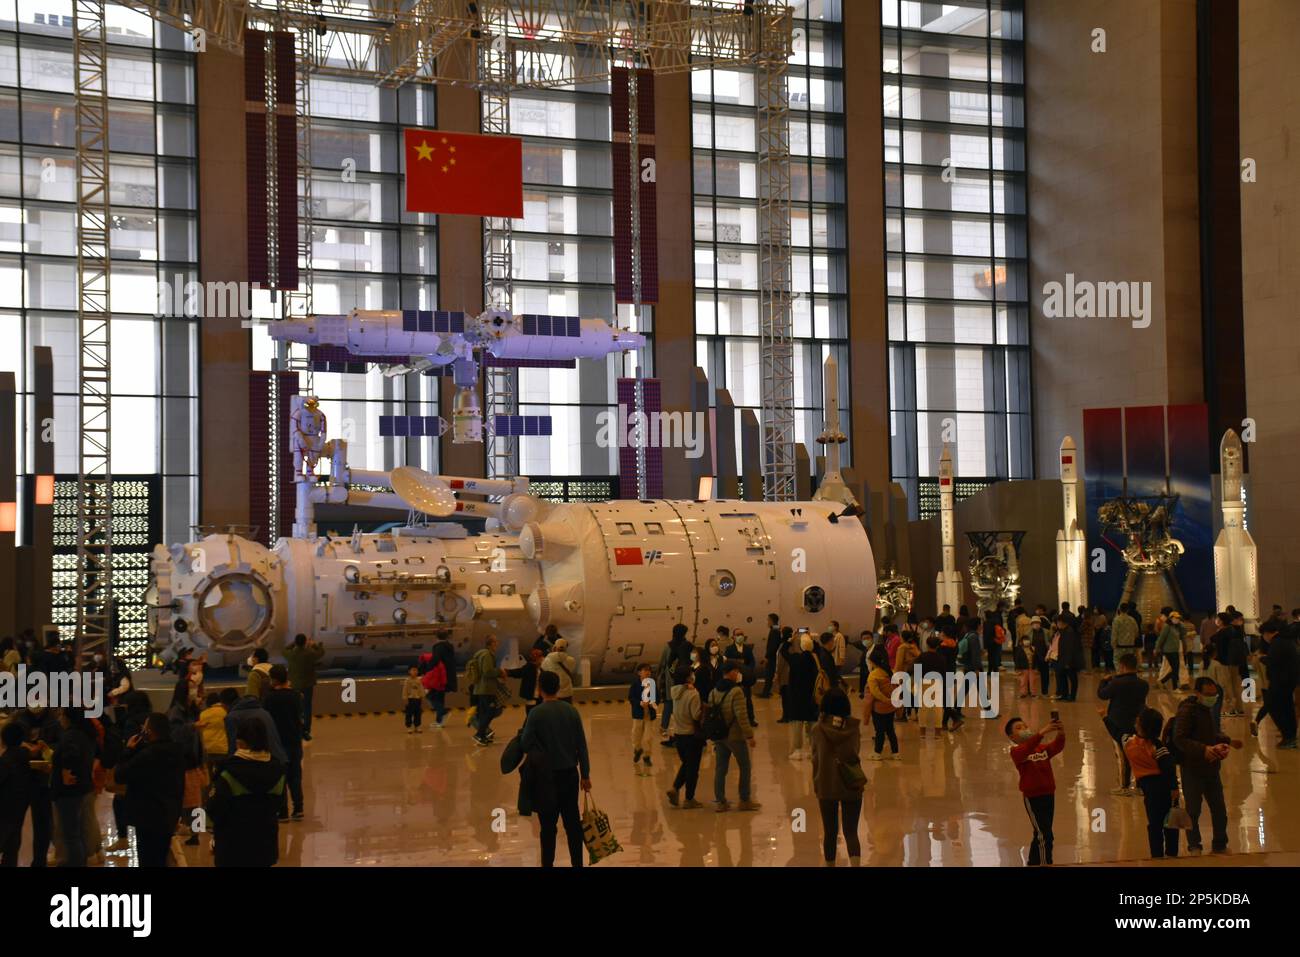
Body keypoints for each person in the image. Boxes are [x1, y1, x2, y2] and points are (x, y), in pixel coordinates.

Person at [520, 670, 592, 867]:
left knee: (548, 827)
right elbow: (582, 745)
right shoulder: (571, 711)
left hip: (545, 779)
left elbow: (525, 744)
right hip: (569, 775)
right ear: (559, 688)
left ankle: (547, 864)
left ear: (539, 688)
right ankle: (577, 864)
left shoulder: (536, 713)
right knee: (572, 824)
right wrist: (585, 775)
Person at [1172, 676, 1242, 854]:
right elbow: (1179, 738)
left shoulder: (1207, 710)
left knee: (1219, 810)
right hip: (1192, 769)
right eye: (1208, 694)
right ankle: (1194, 845)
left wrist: (1228, 741)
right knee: (1193, 811)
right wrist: (1203, 749)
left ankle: (1220, 844)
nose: (1212, 698)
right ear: (1197, 693)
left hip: (1211, 768)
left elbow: (1209, 734)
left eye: (1214, 695)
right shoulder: (1187, 711)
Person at [206, 719, 286, 867]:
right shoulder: (278, 771)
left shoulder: (228, 773)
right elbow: (280, 804)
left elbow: (214, 809)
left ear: (240, 742)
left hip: (232, 848)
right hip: (265, 847)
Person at [113, 713, 184, 867]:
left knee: (147, 859)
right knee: (160, 858)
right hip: (169, 814)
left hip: (147, 817)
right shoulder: (177, 751)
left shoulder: (147, 755)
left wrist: (128, 750)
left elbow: (120, 775)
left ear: (149, 731)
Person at [810, 688, 864, 866]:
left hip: (826, 783)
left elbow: (815, 758)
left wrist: (816, 784)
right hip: (851, 781)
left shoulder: (817, 730)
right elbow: (855, 752)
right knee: (851, 832)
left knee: (830, 833)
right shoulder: (854, 728)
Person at [1006, 714, 1065, 866]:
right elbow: (1028, 747)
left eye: (1025, 726)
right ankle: (1046, 863)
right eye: (1019, 728)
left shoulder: (1041, 748)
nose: (1024, 729)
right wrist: (1042, 732)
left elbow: (1057, 746)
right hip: (1033, 798)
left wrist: (1060, 732)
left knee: (1041, 833)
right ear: (1012, 737)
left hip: (1049, 794)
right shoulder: (1016, 752)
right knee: (1045, 835)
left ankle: (1033, 862)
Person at [1125, 708, 1180, 859]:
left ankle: (1156, 855)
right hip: (1165, 789)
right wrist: (1174, 787)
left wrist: (1105, 718)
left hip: (1150, 791)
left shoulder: (1131, 744)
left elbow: (1117, 733)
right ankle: (1172, 854)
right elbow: (1169, 768)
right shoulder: (1158, 747)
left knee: (1154, 824)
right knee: (1170, 823)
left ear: (1141, 727)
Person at [708, 661, 759, 812]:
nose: (738, 674)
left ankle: (721, 801)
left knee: (720, 768)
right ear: (730, 673)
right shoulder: (737, 691)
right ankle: (744, 800)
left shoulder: (713, 691)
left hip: (719, 735)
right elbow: (741, 715)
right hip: (734, 735)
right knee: (745, 766)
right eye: (736, 671)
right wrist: (749, 735)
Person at [1097, 654, 1149, 794]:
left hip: (1118, 724)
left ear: (1122, 666)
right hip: (1137, 723)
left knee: (1122, 755)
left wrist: (1103, 681)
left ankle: (1124, 786)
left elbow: (1102, 694)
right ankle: (1139, 785)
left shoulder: (1116, 683)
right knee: (1138, 753)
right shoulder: (1143, 685)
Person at [262, 665, 305, 821]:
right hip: (294, 741)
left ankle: (283, 812)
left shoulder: (269, 698)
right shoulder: (296, 696)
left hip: (277, 742)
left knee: (280, 777)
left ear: (273, 679)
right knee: (295, 776)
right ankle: (298, 808)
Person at [666, 666, 703, 809]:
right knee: (692, 769)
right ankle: (689, 799)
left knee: (687, 764)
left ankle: (675, 789)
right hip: (691, 735)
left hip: (678, 734)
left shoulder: (675, 691)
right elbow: (696, 715)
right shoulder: (692, 694)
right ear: (688, 677)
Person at [1258, 620, 1298, 748]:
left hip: (1280, 680)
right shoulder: (1286, 640)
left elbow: (1273, 661)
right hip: (1288, 679)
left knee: (1275, 707)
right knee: (1287, 707)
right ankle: (1290, 736)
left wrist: (1262, 658)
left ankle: (1288, 736)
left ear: (1267, 633)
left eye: (1263, 635)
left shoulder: (1277, 642)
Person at [0, 720, 34, 866]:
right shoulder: (25, 758)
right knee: (12, 849)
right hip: (19, 809)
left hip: (3, 810)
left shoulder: (6, 760)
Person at [780, 633, 818, 759]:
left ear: (801, 646)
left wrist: (789, 641)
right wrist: (813, 640)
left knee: (797, 723)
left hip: (797, 696)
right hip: (812, 696)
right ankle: (813, 749)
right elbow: (818, 649)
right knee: (812, 723)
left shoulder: (795, 658)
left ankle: (797, 750)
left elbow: (783, 652)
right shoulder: (815, 658)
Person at [224, 691, 287, 764]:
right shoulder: (263, 712)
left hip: (261, 761)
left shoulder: (233, 716)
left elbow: (233, 745)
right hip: (276, 758)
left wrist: (230, 764)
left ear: (225, 704)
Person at [469, 635, 509, 746]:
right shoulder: (487, 655)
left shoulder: (481, 654)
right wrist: (500, 671)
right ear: (491, 643)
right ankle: (479, 734)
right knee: (490, 711)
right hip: (487, 689)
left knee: (484, 712)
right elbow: (487, 671)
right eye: (496, 641)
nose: (498, 643)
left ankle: (483, 735)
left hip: (481, 688)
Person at [283, 633, 325, 741]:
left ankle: (295, 728)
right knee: (307, 707)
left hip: (294, 685)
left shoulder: (291, 654)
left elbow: (284, 650)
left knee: (295, 707)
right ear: (305, 642)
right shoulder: (310, 653)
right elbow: (321, 652)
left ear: (296, 642)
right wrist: (314, 644)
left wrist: (293, 643)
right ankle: (306, 730)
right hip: (307, 685)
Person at [864, 645, 899, 759]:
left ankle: (877, 753)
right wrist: (890, 701)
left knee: (879, 731)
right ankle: (895, 753)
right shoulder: (890, 672)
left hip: (879, 708)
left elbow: (875, 693)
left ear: (872, 662)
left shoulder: (873, 675)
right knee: (890, 730)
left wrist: (885, 700)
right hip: (891, 707)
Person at [420, 629, 457, 727]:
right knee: (440, 697)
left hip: (439, 676)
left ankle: (443, 712)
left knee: (430, 696)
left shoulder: (438, 647)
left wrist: (427, 670)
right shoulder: (450, 646)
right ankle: (439, 721)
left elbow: (435, 660)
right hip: (448, 675)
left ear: (436, 637)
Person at [723, 629, 758, 727]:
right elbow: (726, 662)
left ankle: (751, 719)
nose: (740, 636)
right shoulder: (729, 649)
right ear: (733, 637)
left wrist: (748, 670)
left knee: (748, 699)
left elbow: (752, 661)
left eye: (741, 634)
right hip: (734, 677)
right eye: (738, 634)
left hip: (745, 677)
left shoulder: (747, 649)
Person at [628, 662, 657, 775]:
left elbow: (657, 698)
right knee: (636, 735)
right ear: (639, 673)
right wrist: (640, 703)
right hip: (638, 715)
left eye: (649, 670)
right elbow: (631, 698)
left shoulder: (652, 684)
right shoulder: (635, 685)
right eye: (645, 670)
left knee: (648, 738)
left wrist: (651, 703)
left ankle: (647, 756)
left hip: (649, 716)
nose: (648, 672)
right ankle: (638, 749)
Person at [195, 691, 229, 776]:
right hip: (222, 748)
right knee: (222, 774)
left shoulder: (203, 714)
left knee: (209, 775)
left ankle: (210, 784)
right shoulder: (225, 712)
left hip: (207, 749)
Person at [506, 648, 544, 715]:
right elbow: (519, 672)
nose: (542, 658)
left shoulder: (540, 668)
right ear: (537, 657)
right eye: (541, 656)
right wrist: (507, 672)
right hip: (531, 695)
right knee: (530, 714)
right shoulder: (529, 667)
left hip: (539, 696)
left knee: (537, 714)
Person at [540, 637, 577, 703]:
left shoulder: (548, 660)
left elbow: (543, 669)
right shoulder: (571, 660)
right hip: (567, 692)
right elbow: (571, 669)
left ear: (555, 647)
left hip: (553, 693)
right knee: (566, 708)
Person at [1155, 612, 1184, 690]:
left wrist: (1180, 624)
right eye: (1175, 618)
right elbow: (1161, 638)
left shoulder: (1176, 627)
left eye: (1178, 618)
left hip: (1175, 650)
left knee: (1175, 669)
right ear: (1171, 618)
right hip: (1169, 651)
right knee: (1175, 669)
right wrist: (1156, 649)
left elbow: (1183, 632)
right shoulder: (1167, 626)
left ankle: (1162, 681)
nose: (1177, 619)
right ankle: (1175, 687)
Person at [760, 612, 782, 697]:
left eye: (768, 620)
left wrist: (767, 656)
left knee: (769, 674)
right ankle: (766, 691)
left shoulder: (774, 630)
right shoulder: (776, 629)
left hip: (772, 656)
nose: (767, 622)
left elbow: (773, 645)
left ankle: (766, 692)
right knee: (769, 673)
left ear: (771, 620)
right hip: (773, 655)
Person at [402, 665, 425, 733]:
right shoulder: (407, 681)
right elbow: (405, 690)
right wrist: (405, 698)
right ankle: (409, 726)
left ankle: (417, 726)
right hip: (410, 699)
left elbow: (421, 689)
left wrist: (422, 696)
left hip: (417, 699)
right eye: (413, 670)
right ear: (409, 671)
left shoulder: (419, 680)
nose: (415, 672)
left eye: (416, 670)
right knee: (409, 714)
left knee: (418, 713)